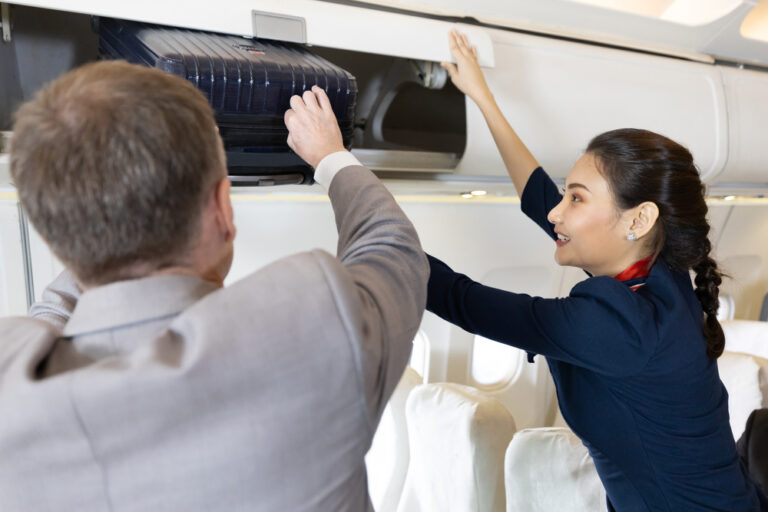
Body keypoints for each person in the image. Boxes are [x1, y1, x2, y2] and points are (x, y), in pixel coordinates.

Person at [0, 60, 428, 511]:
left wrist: (93, 226)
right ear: (223, 209)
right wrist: (329, 157)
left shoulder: (11, 375)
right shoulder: (313, 324)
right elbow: (390, 246)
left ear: (53, 238)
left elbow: (50, 316)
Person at [426, 30, 765, 511]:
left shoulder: (617, 323)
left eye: (577, 198)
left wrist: (340, 174)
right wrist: (482, 96)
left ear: (638, 219)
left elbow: (457, 297)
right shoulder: (657, 272)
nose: (555, 213)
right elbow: (537, 196)